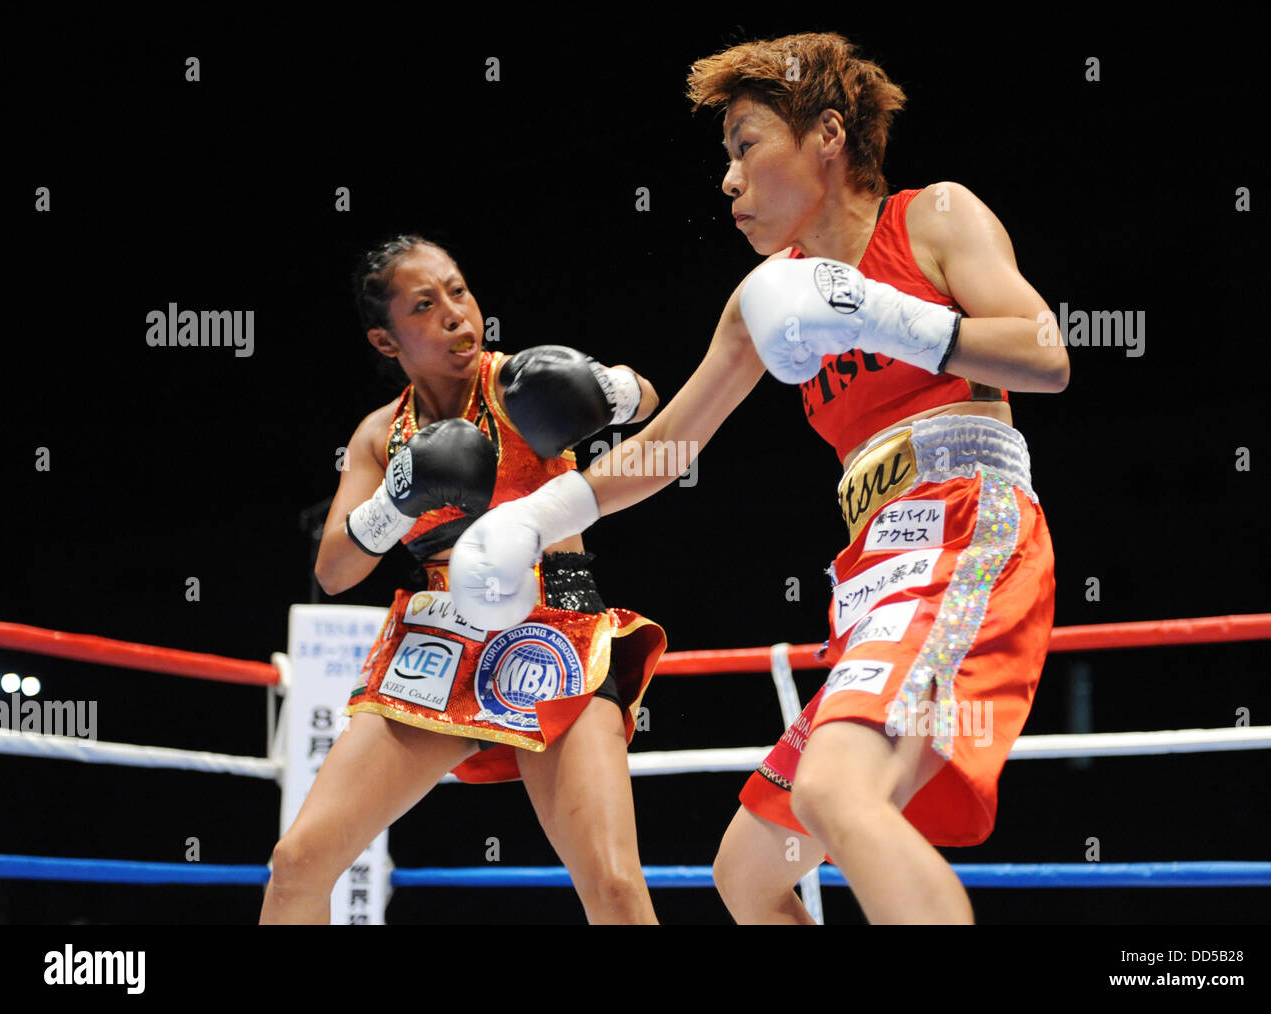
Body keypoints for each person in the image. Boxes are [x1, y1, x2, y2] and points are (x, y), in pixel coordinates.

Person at [447, 32, 1066, 925]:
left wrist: (880, 315)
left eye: (745, 146)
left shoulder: (931, 218)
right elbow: (671, 445)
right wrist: (536, 518)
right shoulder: (763, 298)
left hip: (970, 521)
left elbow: (1047, 356)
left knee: (839, 796)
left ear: (827, 135)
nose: (728, 179)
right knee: (749, 872)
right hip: (875, 564)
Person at [260, 236, 666, 924]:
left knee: (615, 887)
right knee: (298, 863)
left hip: (554, 623)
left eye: (458, 290)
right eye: (425, 305)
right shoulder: (378, 436)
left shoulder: (518, 385)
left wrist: (611, 388)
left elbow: (651, 401)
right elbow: (333, 570)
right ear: (386, 343)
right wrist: (395, 501)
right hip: (439, 640)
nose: (455, 313)